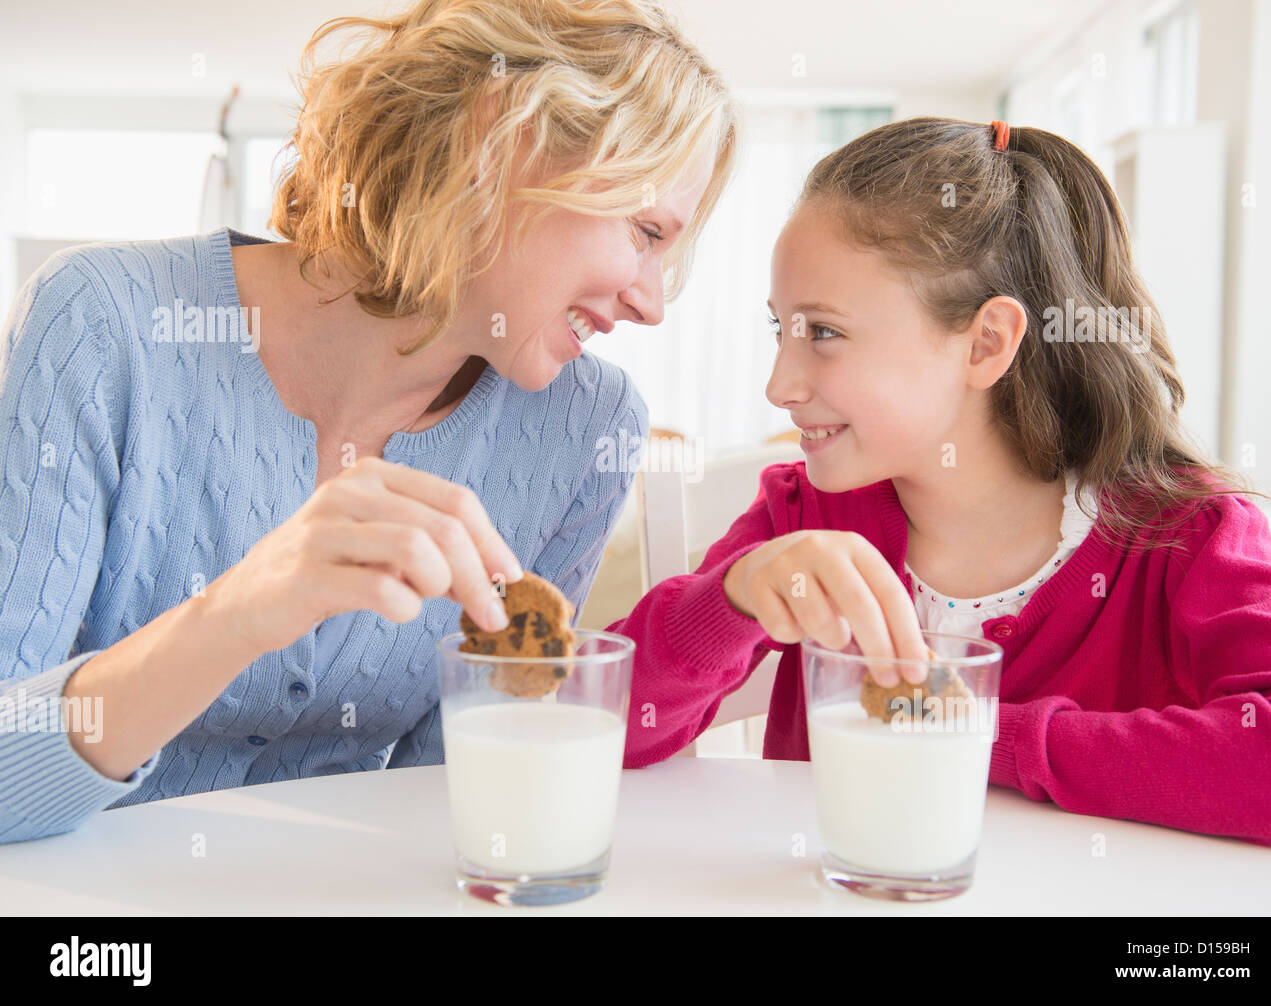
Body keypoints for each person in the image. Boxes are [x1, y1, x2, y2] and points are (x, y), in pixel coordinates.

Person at [0, 0, 739, 843]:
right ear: (502, 141)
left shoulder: (582, 427)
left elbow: (458, 803)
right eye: (645, 231)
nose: (650, 302)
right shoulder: (101, 324)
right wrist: (234, 614)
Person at [611, 117, 1271, 849]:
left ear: (985, 344)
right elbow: (603, 729)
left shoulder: (1185, 535)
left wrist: (974, 730)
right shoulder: (802, 518)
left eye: (823, 333)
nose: (779, 384)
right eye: (780, 328)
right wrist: (732, 597)